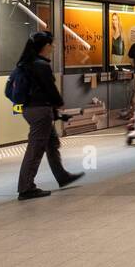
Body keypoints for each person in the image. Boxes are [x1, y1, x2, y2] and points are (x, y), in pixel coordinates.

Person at [14, 31, 83, 200]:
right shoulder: (41, 65)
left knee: (51, 143)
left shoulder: (26, 63)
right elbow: (50, 90)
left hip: (30, 109)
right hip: (40, 111)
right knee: (35, 149)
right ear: (45, 46)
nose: (53, 47)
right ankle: (26, 188)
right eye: (51, 44)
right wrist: (59, 104)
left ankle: (62, 176)